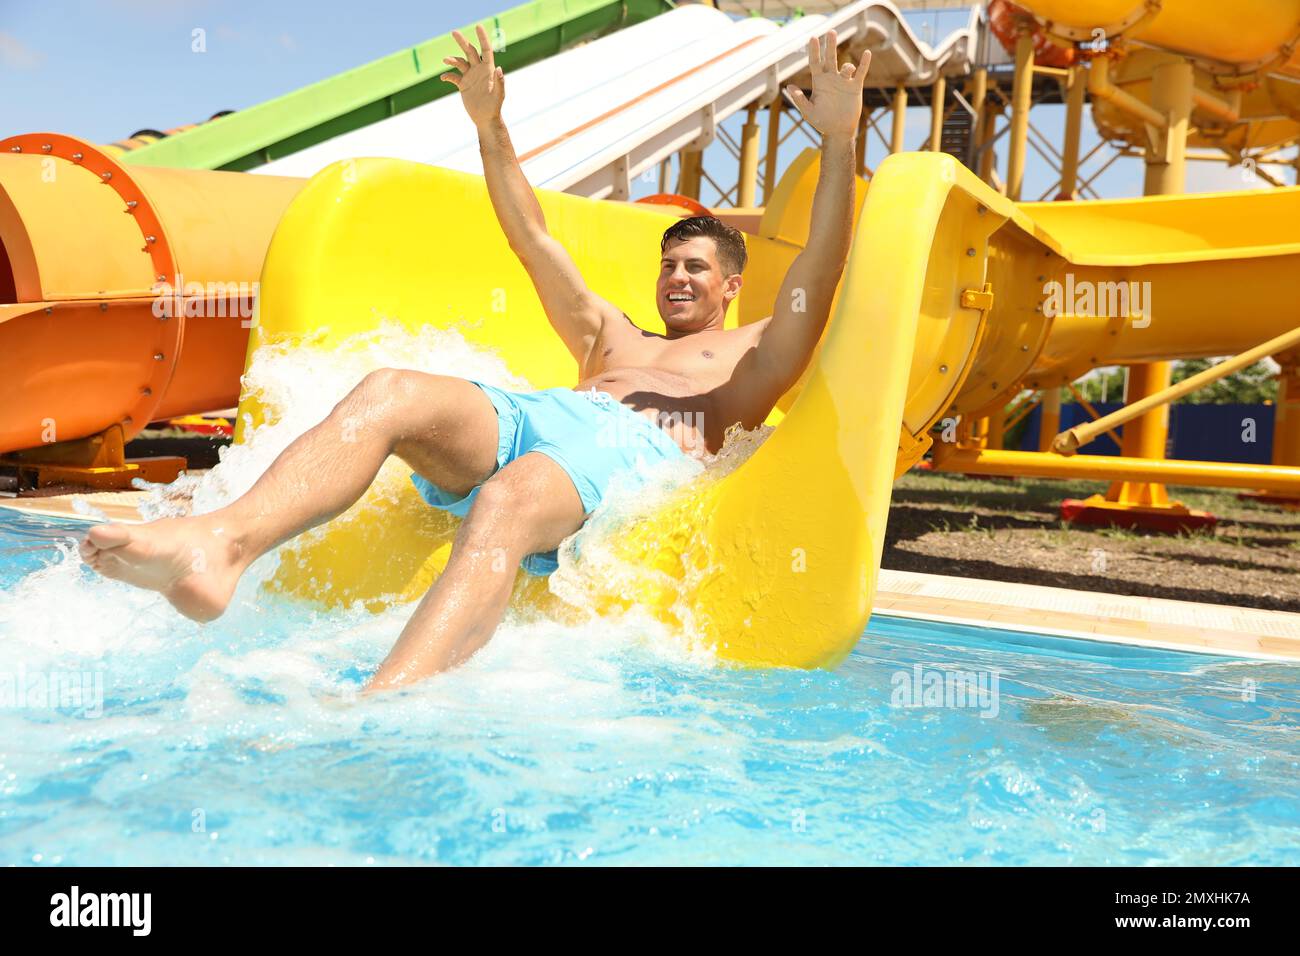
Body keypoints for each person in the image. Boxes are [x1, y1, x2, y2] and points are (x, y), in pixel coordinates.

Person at [79, 25, 869, 691]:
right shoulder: (610, 334)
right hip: (547, 413)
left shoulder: (750, 354)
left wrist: (838, 142)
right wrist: (490, 125)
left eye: (695, 267)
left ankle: (385, 704)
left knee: (509, 500)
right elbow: (533, 237)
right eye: (668, 265)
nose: (676, 277)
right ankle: (220, 545)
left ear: (732, 285)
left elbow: (821, 272)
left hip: (627, 457)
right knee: (389, 391)